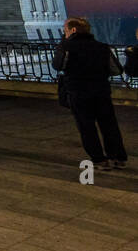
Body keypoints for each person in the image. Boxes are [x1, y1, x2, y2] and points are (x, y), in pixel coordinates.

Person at [54, 17, 127, 170]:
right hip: (101, 91)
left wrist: (63, 44)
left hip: (78, 92)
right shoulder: (102, 47)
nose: (64, 32)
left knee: (86, 127)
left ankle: (99, 160)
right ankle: (117, 157)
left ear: (73, 30)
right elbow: (117, 70)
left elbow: (58, 65)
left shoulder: (66, 47)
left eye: (65, 29)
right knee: (109, 125)